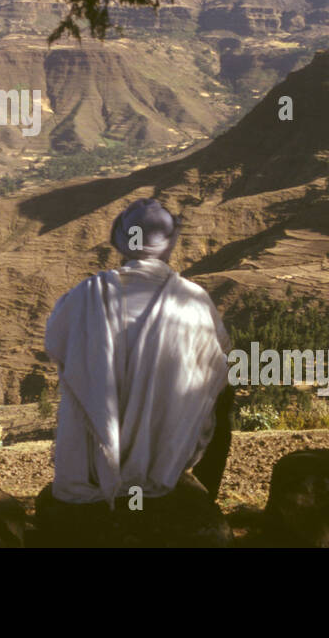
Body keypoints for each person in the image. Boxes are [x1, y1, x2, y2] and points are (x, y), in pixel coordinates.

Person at [37, 198, 233, 544]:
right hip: (166, 457)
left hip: (90, 462)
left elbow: (55, 346)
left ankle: (105, 464)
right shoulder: (194, 300)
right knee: (222, 394)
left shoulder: (85, 295)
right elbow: (217, 361)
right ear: (170, 243)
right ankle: (190, 484)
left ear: (121, 239)